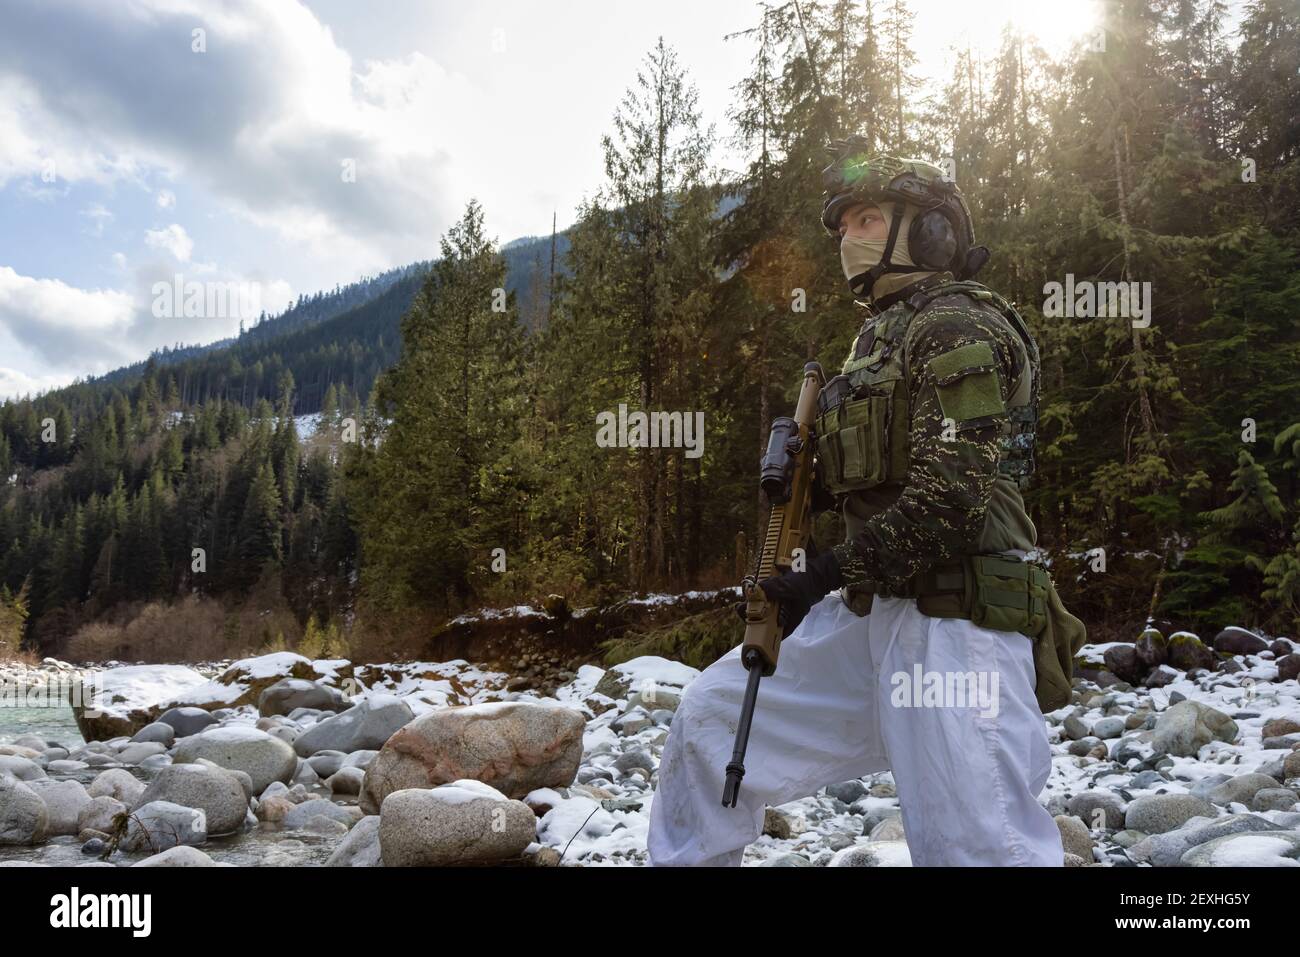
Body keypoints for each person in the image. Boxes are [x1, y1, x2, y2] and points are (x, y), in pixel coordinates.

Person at [647, 138, 1085, 867]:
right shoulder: (875, 343)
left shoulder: (958, 326)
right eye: (843, 224)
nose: (848, 237)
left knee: (977, 842)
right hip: (873, 610)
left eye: (868, 220)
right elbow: (869, 486)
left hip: (956, 618)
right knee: (714, 719)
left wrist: (822, 573)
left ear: (932, 232)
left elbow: (950, 502)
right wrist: (804, 555)